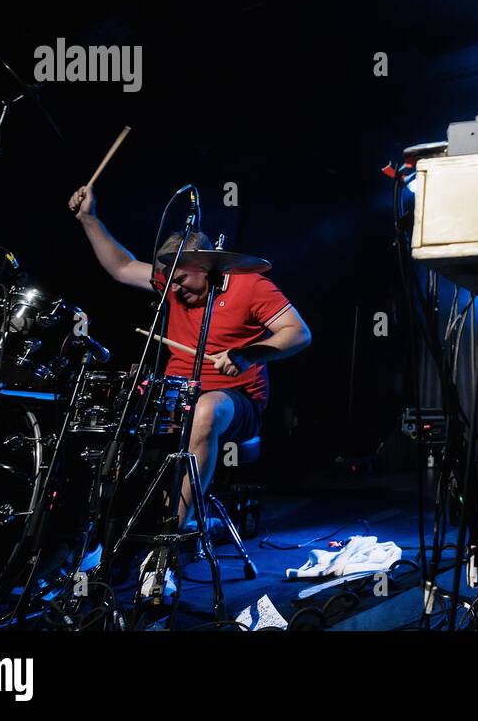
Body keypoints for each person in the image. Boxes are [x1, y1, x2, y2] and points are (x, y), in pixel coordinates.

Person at [67, 185, 310, 533]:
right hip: (176, 394)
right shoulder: (171, 281)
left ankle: (173, 532)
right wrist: (89, 219)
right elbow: (121, 267)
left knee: (206, 410)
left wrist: (248, 354)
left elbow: (298, 333)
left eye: (181, 280)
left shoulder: (249, 285)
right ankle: (97, 530)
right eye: (170, 281)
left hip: (235, 400)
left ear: (204, 263)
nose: (174, 289)